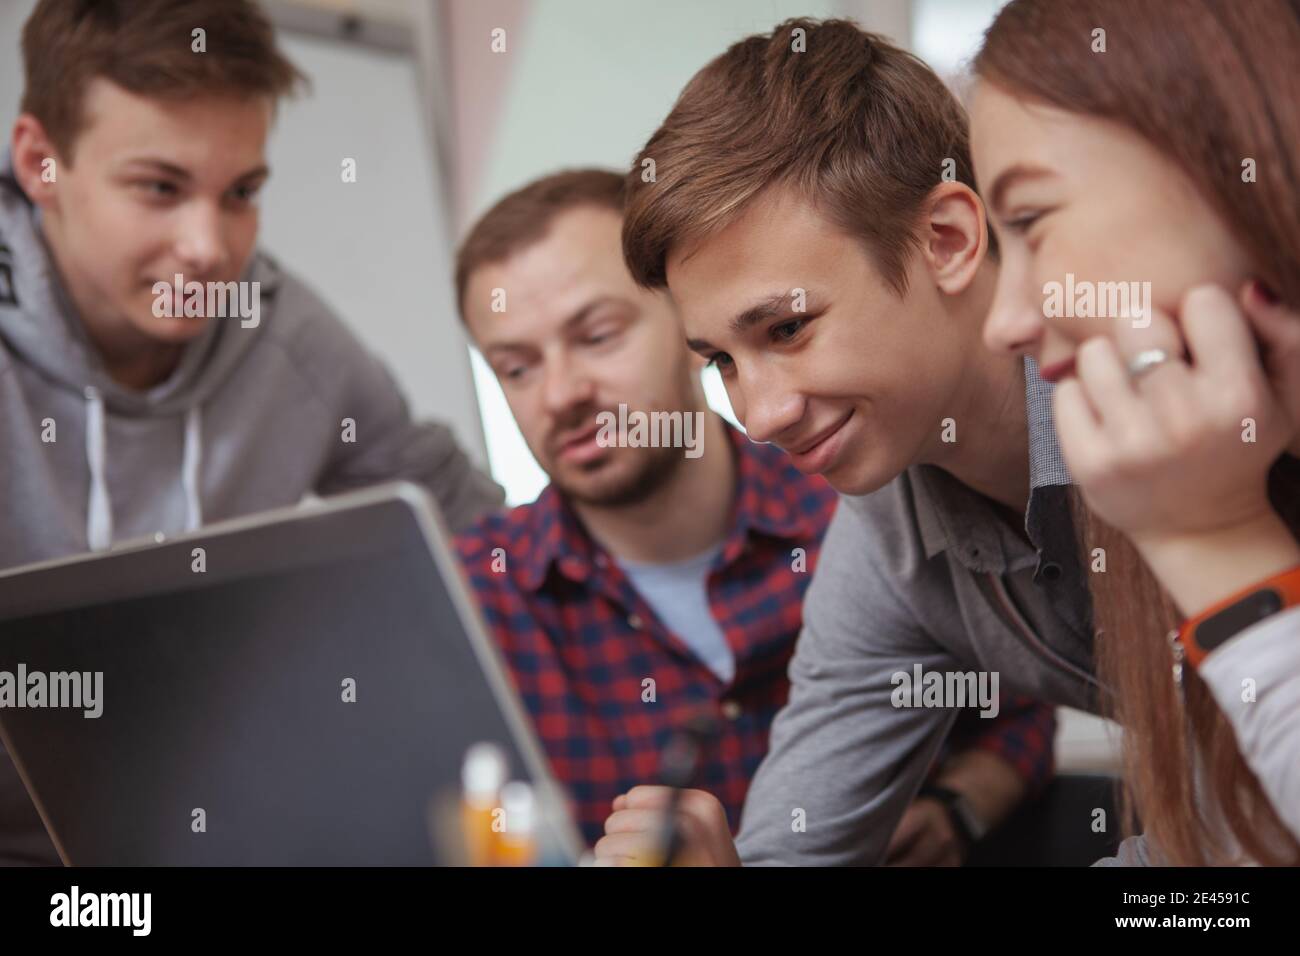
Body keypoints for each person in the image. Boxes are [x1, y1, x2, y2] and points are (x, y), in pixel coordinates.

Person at [0, 0, 502, 865]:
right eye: (159, 187)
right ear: (41, 161)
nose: (209, 246)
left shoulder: (291, 339)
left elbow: (474, 531)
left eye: (242, 193)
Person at [593, 17, 1102, 867]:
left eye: (788, 327)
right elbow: (797, 850)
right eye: (721, 360)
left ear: (946, 240)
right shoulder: (888, 537)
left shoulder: (1165, 405)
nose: (758, 417)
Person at [454, 168, 1057, 857]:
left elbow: (1019, 702)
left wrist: (961, 806)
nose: (560, 393)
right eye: (517, 367)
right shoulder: (470, 599)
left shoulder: (859, 488)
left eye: (597, 336)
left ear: (690, 322)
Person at [971, 0, 1300, 865]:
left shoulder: (1203, 503)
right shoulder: (1242, 471)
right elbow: (1225, 864)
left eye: (1032, 221)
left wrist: (1212, 539)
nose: (1006, 321)